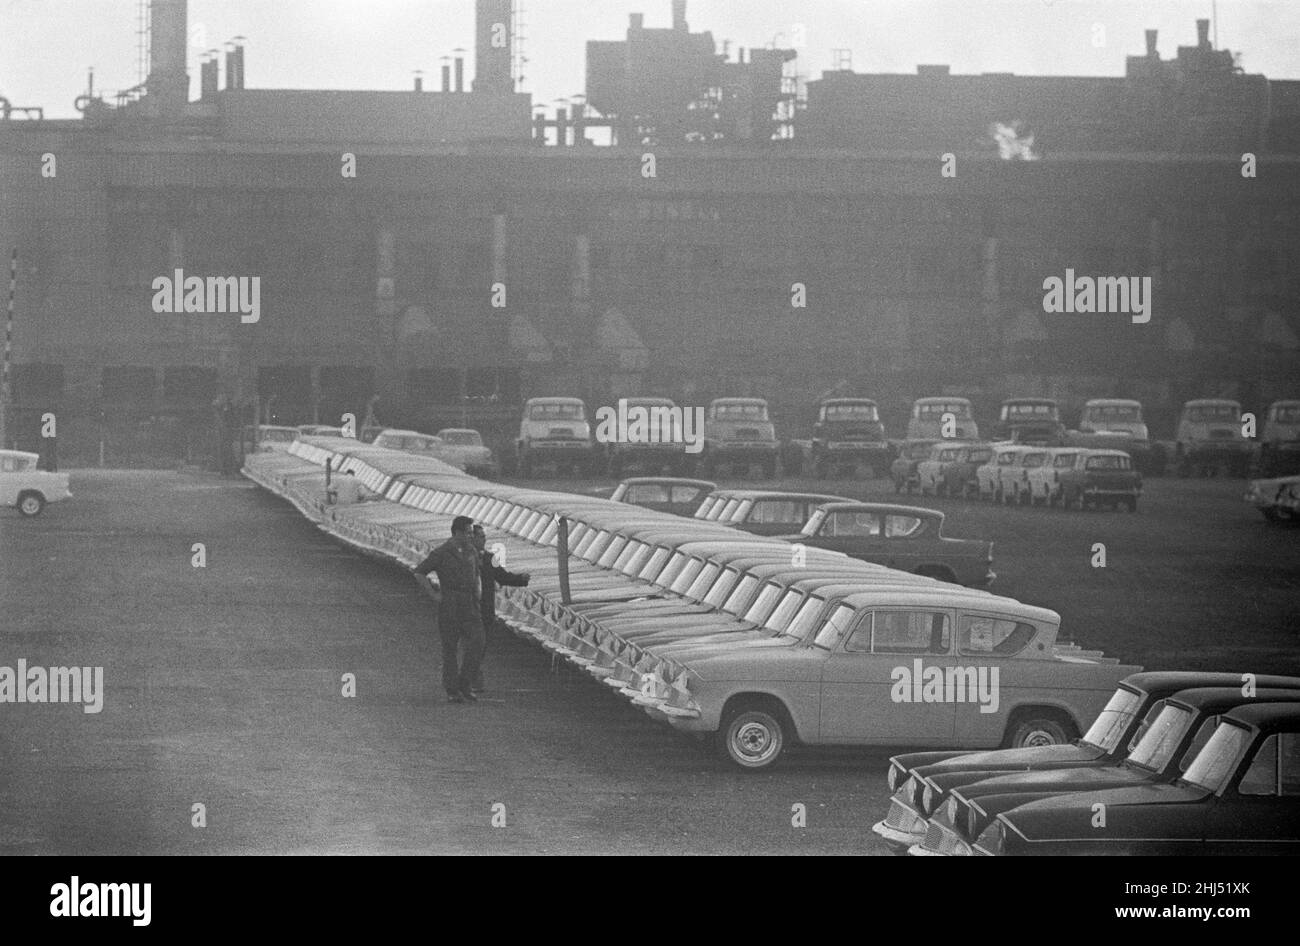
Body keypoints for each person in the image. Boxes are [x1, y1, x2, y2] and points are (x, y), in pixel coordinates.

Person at [412, 515, 484, 703]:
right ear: (457, 532)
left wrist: (477, 596)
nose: (470, 536)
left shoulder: (472, 551)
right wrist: (434, 594)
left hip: (469, 603)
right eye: (468, 533)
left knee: (478, 642)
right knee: (450, 648)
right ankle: (453, 689)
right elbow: (420, 572)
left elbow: (476, 575)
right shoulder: (442, 552)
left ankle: (465, 683)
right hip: (450, 602)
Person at [469, 524, 530, 693]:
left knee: (481, 644)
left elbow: (502, 576)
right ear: (471, 538)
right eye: (481, 537)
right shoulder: (463, 557)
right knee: (474, 644)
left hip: (486, 608)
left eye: (484, 537)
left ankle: (472, 675)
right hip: (469, 608)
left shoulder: (490, 558)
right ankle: (472, 677)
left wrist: (521, 579)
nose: (484, 540)